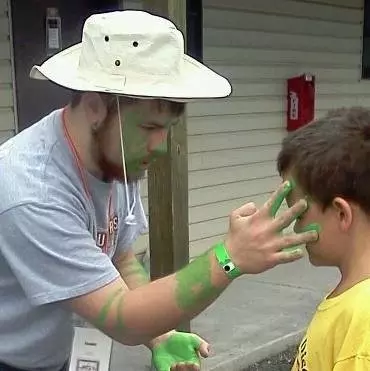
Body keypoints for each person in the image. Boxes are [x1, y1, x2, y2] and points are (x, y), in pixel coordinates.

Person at [0, 10, 317, 371]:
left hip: (47, 356)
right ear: (94, 108)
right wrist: (230, 258)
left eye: (167, 127)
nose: (162, 145)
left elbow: (120, 260)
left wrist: (159, 335)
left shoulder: (113, 156)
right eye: (150, 127)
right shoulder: (32, 192)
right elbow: (121, 317)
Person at [277, 106, 370, 371]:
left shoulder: (363, 322)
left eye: (300, 214)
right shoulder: (350, 299)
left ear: (341, 213)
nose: (296, 230)